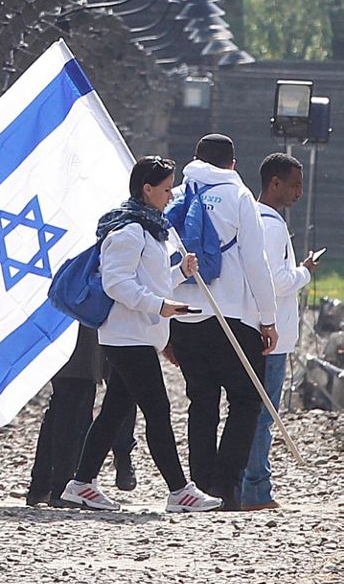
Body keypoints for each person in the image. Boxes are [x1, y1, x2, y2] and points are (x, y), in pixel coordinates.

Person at [61, 156, 222, 513]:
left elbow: (150, 280)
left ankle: (81, 483)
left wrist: (179, 272)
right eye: (165, 189)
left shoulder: (149, 229)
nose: (170, 196)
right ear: (147, 189)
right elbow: (116, 283)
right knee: (158, 411)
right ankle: (180, 490)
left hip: (134, 334)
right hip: (126, 336)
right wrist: (159, 306)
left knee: (115, 411)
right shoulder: (129, 230)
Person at [167, 133, 277, 511]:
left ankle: (199, 487)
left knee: (201, 401)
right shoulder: (239, 196)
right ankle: (226, 486)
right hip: (231, 315)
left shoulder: (178, 193)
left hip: (183, 314)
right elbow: (255, 263)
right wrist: (268, 318)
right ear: (232, 163)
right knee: (245, 400)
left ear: (196, 158)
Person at [240, 153, 318, 510]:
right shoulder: (270, 226)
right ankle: (255, 490)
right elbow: (274, 281)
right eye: (295, 185)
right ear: (274, 183)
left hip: (259, 331)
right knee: (261, 416)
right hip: (270, 337)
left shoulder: (255, 219)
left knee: (251, 412)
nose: (299, 192)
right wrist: (304, 272)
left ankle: (243, 486)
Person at [25, 328, 137, 506]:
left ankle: (43, 486)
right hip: (79, 322)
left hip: (68, 324)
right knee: (74, 402)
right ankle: (62, 487)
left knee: (64, 403)